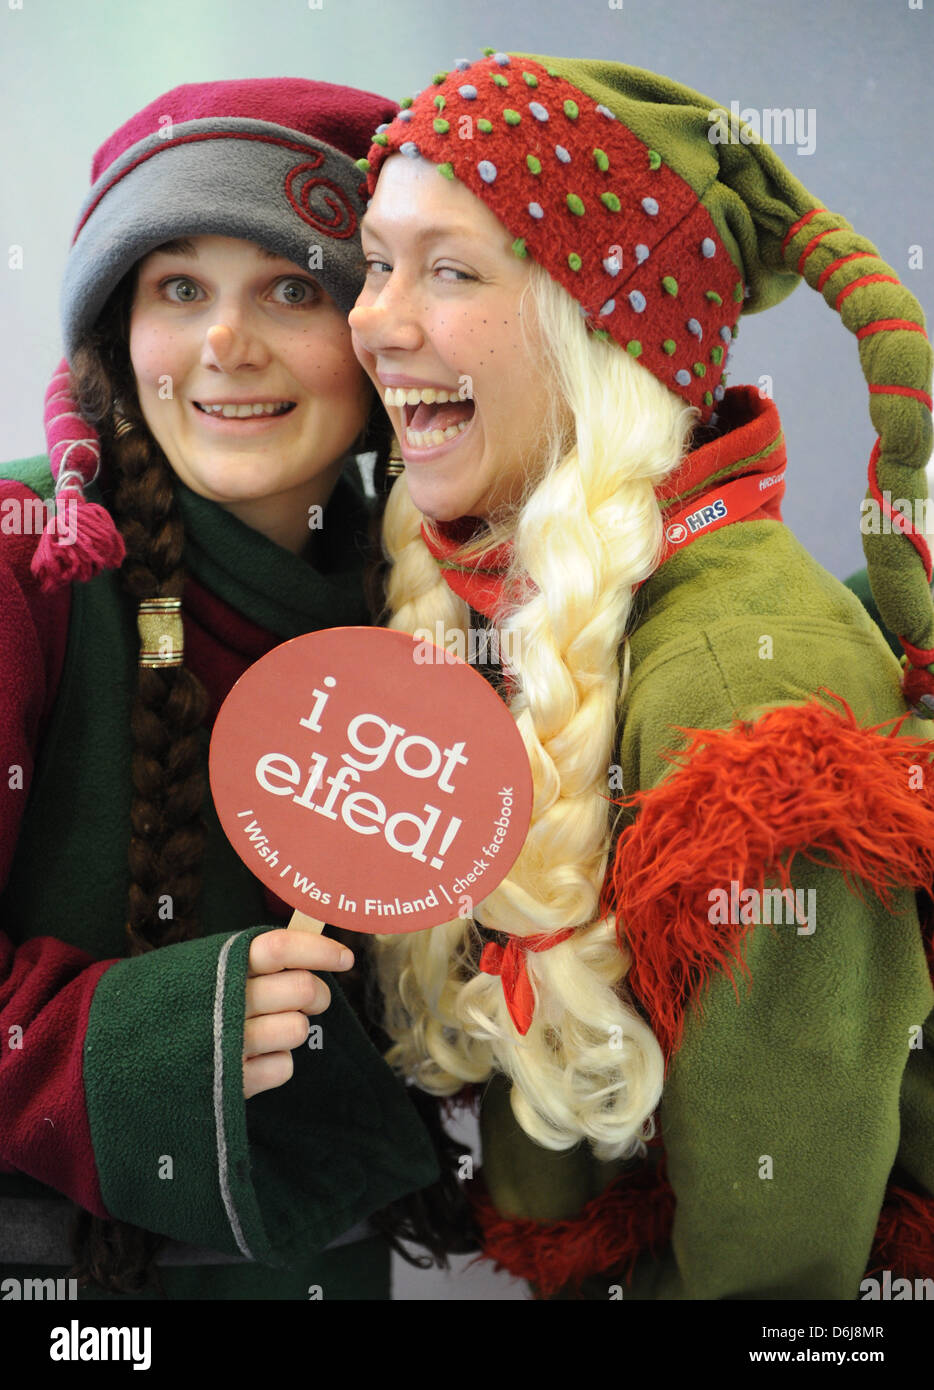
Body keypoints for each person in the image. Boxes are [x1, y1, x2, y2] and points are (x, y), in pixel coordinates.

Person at [348, 51, 934, 1299]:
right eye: (373, 260)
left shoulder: (745, 708)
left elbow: (781, 1286)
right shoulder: (531, 606)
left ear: (603, 334)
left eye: (448, 269)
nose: (372, 319)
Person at [0, 77, 453, 1302]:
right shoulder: (24, 556)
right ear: (117, 329)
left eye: (294, 289)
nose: (227, 345)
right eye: (179, 287)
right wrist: (147, 1041)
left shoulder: (446, 613)